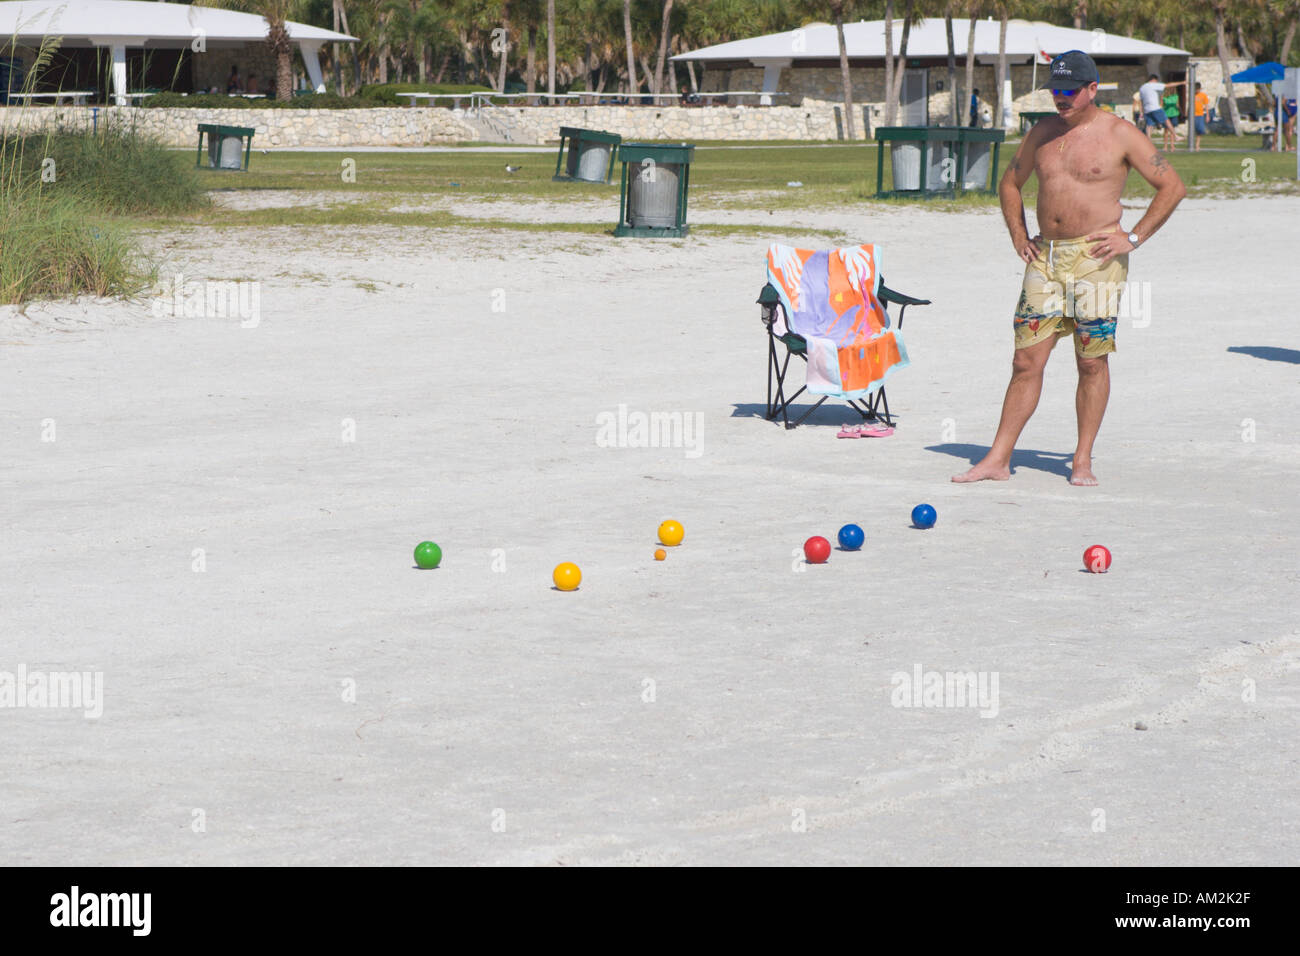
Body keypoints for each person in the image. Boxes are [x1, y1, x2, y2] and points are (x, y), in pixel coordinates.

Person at [952, 51, 1186, 487]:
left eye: (1069, 91)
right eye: (1055, 91)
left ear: (1092, 89)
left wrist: (1131, 237)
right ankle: (998, 459)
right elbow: (1009, 183)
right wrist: (1019, 237)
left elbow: (1172, 185)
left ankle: (1081, 459)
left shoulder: (1122, 134)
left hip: (1097, 259)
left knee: (1091, 361)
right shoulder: (1041, 132)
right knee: (1025, 358)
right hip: (1047, 259)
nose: (1060, 98)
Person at [1137, 73, 1185, 151]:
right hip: (1155, 107)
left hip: (1147, 109)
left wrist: (1142, 111)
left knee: (1149, 125)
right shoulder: (1152, 85)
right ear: (1154, 80)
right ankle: (1176, 136)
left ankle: (1148, 141)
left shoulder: (1142, 87)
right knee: (1166, 120)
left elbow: (1141, 100)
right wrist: (1182, 83)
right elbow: (1168, 85)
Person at [1192, 83, 1209, 149]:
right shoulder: (1192, 95)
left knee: (1200, 130)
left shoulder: (1203, 95)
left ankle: (1197, 144)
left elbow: (1206, 105)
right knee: (1193, 129)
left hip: (1200, 115)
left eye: (1198, 89)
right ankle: (1192, 143)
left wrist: (1207, 115)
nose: (1197, 91)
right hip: (1193, 115)